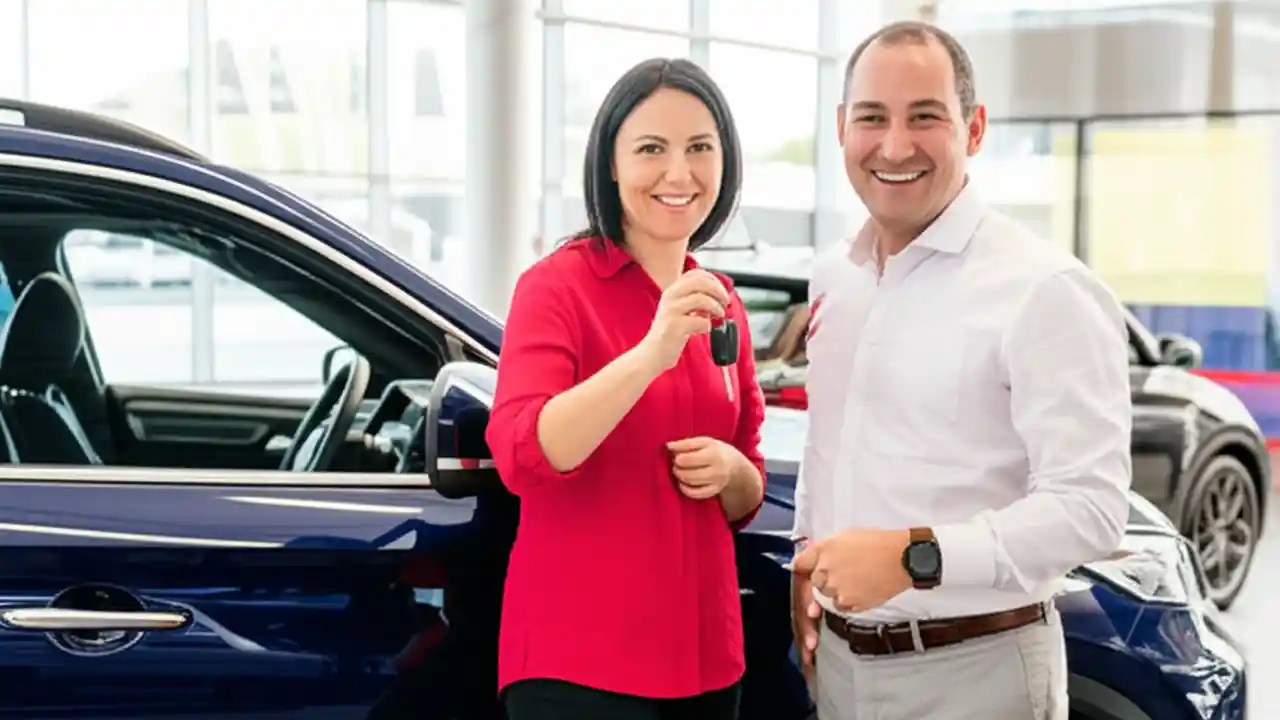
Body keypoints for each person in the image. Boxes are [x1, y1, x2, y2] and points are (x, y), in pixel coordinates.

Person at [789, 21, 1132, 720]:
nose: (894, 145)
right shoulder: (836, 278)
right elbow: (830, 446)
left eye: (925, 117)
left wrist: (918, 556)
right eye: (872, 118)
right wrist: (806, 554)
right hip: (840, 667)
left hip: (978, 672)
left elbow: (1092, 508)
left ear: (974, 128)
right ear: (840, 129)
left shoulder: (1044, 287)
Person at [485, 57, 767, 720]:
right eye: (651, 150)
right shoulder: (555, 288)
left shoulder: (721, 301)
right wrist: (650, 354)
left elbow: (748, 484)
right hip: (582, 668)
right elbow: (525, 454)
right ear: (611, 165)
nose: (680, 173)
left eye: (700, 148)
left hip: (707, 660)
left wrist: (730, 470)